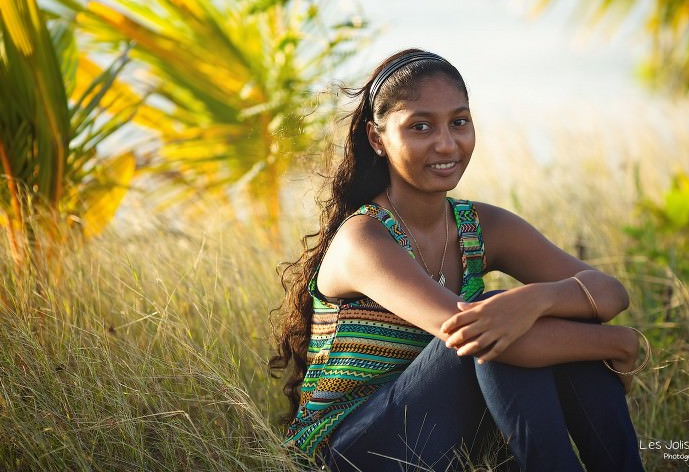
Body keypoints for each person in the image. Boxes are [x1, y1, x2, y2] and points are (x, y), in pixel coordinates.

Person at [271, 49, 648, 471]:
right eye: (420, 126)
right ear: (377, 139)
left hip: (441, 435)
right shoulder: (364, 239)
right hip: (349, 451)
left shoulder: (480, 226)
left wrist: (537, 299)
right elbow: (473, 335)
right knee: (490, 325)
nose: (447, 143)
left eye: (459, 122)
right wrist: (618, 343)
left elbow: (609, 292)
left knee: (524, 317)